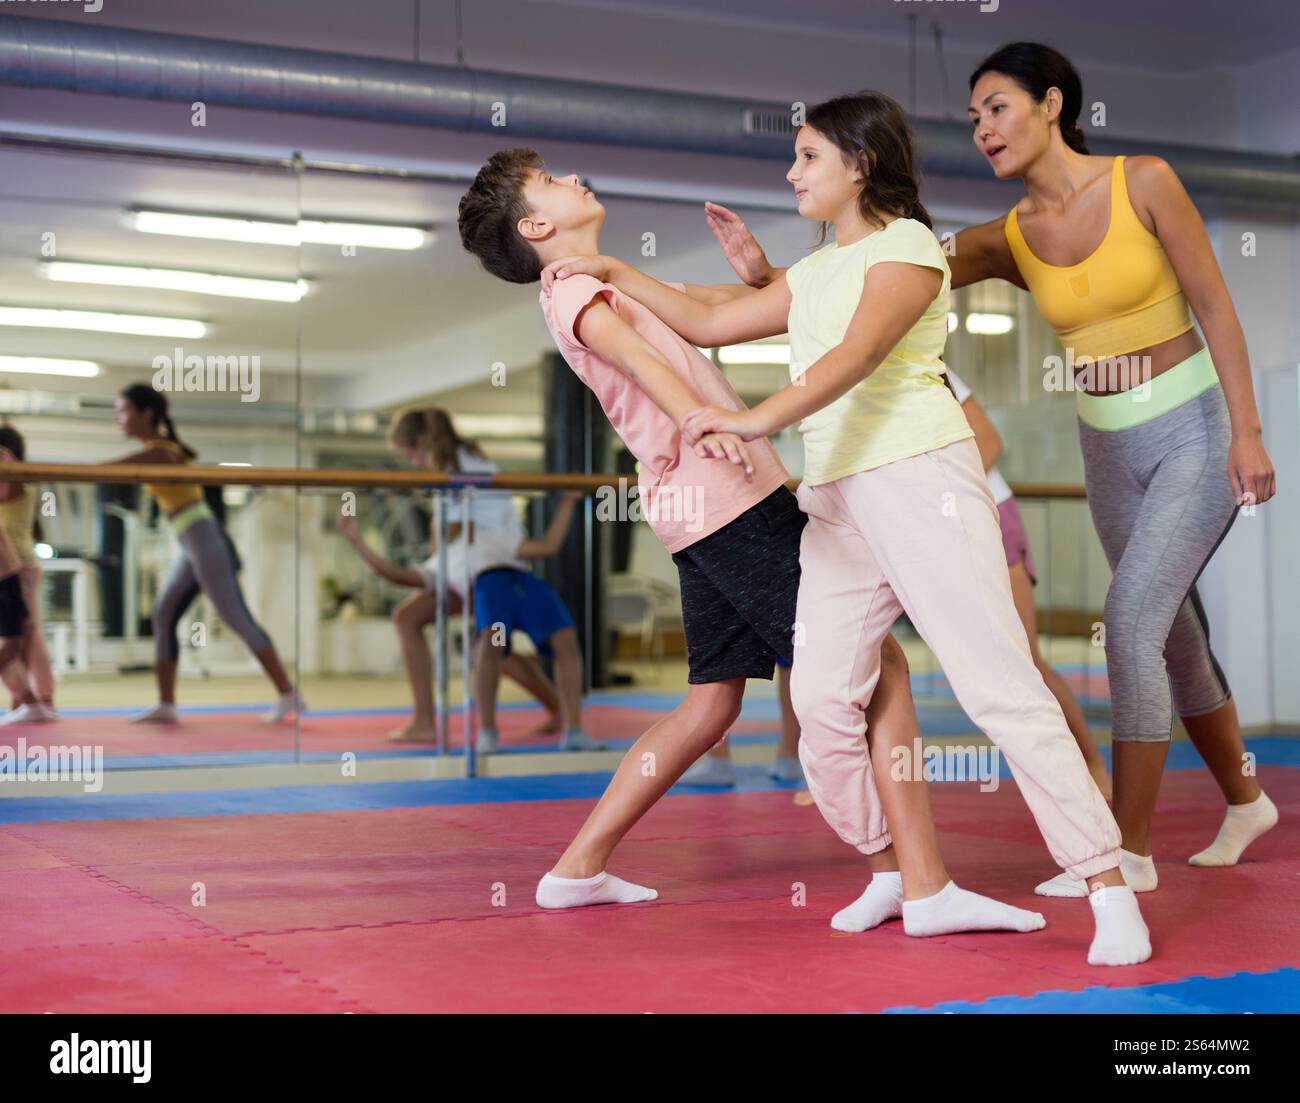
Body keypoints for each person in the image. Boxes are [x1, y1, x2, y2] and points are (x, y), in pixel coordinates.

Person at [539, 90, 1150, 965]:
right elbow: (711, 316)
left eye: (807, 157)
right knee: (822, 697)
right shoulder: (818, 266)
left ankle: (1106, 882)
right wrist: (604, 269)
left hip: (917, 478)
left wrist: (755, 423)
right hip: (836, 500)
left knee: (995, 685)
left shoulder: (909, 250)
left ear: (859, 166)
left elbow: (854, 358)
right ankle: (902, 877)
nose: (791, 173)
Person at [703, 42, 1279, 894]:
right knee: (1173, 631)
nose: (983, 129)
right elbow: (879, 271)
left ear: (1052, 104)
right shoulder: (1009, 235)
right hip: (1106, 438)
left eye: (997, 108)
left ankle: (1126, 850)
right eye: (973, 119)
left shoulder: (1143, 181)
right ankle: (1245, 798)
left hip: (1193, 423)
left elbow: (1216, 304)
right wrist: (769, 277)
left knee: (1128, 623)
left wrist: (1249, 430)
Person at [462, 146, 1058, 944]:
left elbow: (709, 316)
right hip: (727, 500)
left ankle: (577, 866)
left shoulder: (598, 281)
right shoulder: (571, 288)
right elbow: (638, 363)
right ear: (536, 225)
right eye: (552, 182)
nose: (574, 179)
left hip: (694, 508)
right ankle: (921, 884)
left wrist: (756, 274)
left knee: (712, 703)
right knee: (878, 667)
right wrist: (713, 430)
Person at [378, 406, 597, 753]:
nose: (411, 462)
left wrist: (436, 542)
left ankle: (433, 721)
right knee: (494, 646)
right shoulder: (466, 459)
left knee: (472, 639)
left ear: (418, 443)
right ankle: (553, 711)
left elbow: (452, 533)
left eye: (408, 453)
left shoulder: (451, 468)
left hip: (483, 565)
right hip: (491, 562)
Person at [338, 481, 594, 750]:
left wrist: (567, 503)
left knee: (564, 640)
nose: (438, 528)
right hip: (493, 594)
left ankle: (572, 729)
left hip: (525, 588)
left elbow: (547, 547)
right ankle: (488, 732)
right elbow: (395, 575)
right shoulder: (441, 562)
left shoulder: (488, 537)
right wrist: (358, 544)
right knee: (490, 648)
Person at [112, 384, 304, 725]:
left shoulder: (160, 451)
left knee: (235, 617)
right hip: (190, 541)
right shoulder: (159, 449)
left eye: (124, 411)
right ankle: (167, 705)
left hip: (203, 538)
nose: (119, 419)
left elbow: (108, 470)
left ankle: (289, 694)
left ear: (146, 414)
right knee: (163, 613)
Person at [0, 426, 57, 725]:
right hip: (13, 564)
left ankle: (41, 700)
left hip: (18, 565)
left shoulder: (18, 476)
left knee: (26, 637)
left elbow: (4, 489)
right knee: (23, 636)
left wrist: (5, 458)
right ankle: (30, 702)